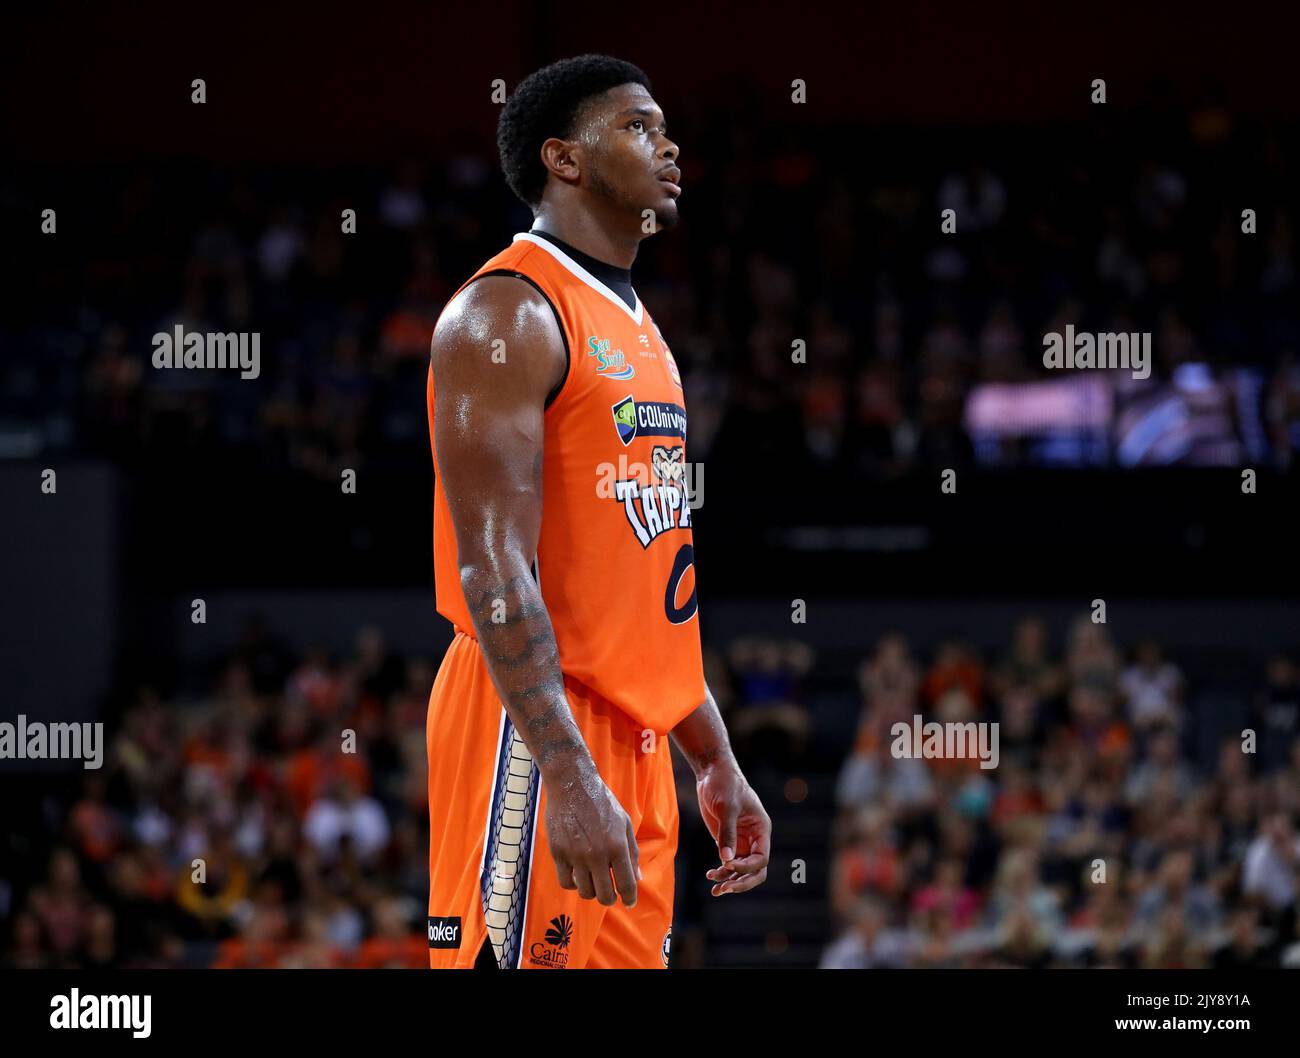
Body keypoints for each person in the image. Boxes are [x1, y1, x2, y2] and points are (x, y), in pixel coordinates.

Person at [425, 55, 770, 969]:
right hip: (537, 729)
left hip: (640, 741)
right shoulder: (506, 312)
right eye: (637, 126)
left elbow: (644, 577)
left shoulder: (642, 327)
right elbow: (491, 567)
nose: (669, 144)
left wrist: (713, 755)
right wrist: (566, 769)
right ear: (564, 160)